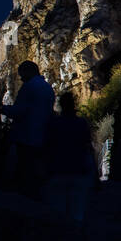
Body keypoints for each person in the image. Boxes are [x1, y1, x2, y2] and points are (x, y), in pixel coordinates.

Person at [0, 61, 55, 198]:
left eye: (21, 74)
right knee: (37, 169)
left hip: (26, 136)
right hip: (42, 135)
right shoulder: (47, 87)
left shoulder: (29, 87)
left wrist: (2, 109)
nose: (20, 78)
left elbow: (20, 111)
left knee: (24, 169)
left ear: (29, 72)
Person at [45, 91, 96, 226]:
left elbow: (47, 148)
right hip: (78, 171)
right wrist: (95, 175)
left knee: (58, 215)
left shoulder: (54, 124)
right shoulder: (81, 123)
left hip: (58, 171)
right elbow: (88, 148)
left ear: (60, 105)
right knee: (77, 214)